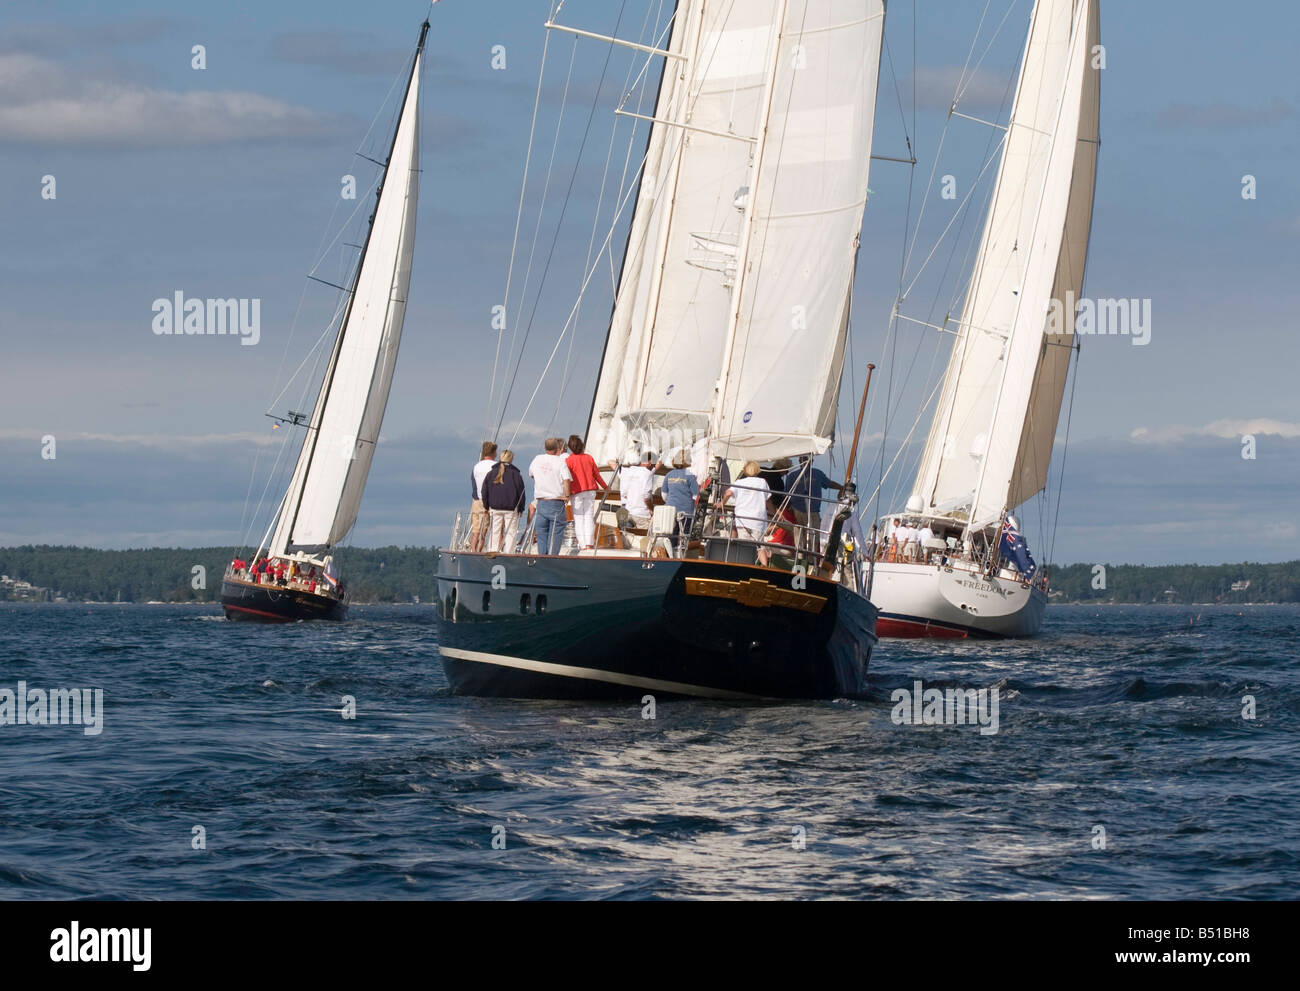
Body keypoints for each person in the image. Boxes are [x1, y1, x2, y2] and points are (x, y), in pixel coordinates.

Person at [529, 437, 572, 555]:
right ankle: (551, 559)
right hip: (556, 502)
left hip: (541, 502)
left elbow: (531, 474)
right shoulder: (560, 462)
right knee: (555, 533)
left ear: (545, 448)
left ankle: (542, 558)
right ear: (557, 448)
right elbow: (566, 480)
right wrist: (567, 496)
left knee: (542, 533)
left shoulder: (537, 459)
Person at [784, 455, 843, 534]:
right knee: (809, 535)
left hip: (809, 510)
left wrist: (841, 487)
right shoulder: (793, 476)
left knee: (809, 535)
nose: (805, 463)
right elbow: (786, 495)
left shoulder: (817, 474)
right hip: (799, 511)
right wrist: (841, 487)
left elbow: (829, 483)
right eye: (803, 460)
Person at [482, 449, 526, 553]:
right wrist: (521, 508)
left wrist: (486, 506)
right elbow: (521, 493)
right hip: (511, 508)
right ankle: (509, 553)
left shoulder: (491, 473)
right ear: (511, 459)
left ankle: (493, 550)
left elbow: (484, 492)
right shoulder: (516, 475)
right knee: (511, 532)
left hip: (495, 507)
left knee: (495, 530)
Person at [565, 435, 604, 552]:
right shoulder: (589, 458)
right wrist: (606, 487)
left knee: (579, 519)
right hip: (590, 490)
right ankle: (589, 543)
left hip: (576, 492)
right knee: (588, 517)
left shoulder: (568, 460)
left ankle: (582, 544)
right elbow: (597, 475)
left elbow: (566, 478)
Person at [469, 441, 498, 552]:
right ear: (493, 452)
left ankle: (473, 549)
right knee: (485, 529)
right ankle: (480, 549)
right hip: (489, 501)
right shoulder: (495, 466)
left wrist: (476, 497)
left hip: (477, 500)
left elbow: (473, 483)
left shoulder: (476, 466)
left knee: (476, 529)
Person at [659, 454, 699, 535]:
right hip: (686, 512)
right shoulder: (690, 475)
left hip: (670, 510)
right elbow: (696, 495)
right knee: (685, 537)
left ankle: (672, 546)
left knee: (671, 535)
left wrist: (672, 501)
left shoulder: (669, 474)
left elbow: (664, 494)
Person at [618, 450, 656, 530]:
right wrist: (652, 509)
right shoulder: (647, 474)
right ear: (649, 462)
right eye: (653, 464)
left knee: (627, 536)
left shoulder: (630, 470)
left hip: (629, 511)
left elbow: (624, 492)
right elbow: (646, 496)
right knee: (644, 539)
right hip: (642, 514)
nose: (653, 467)